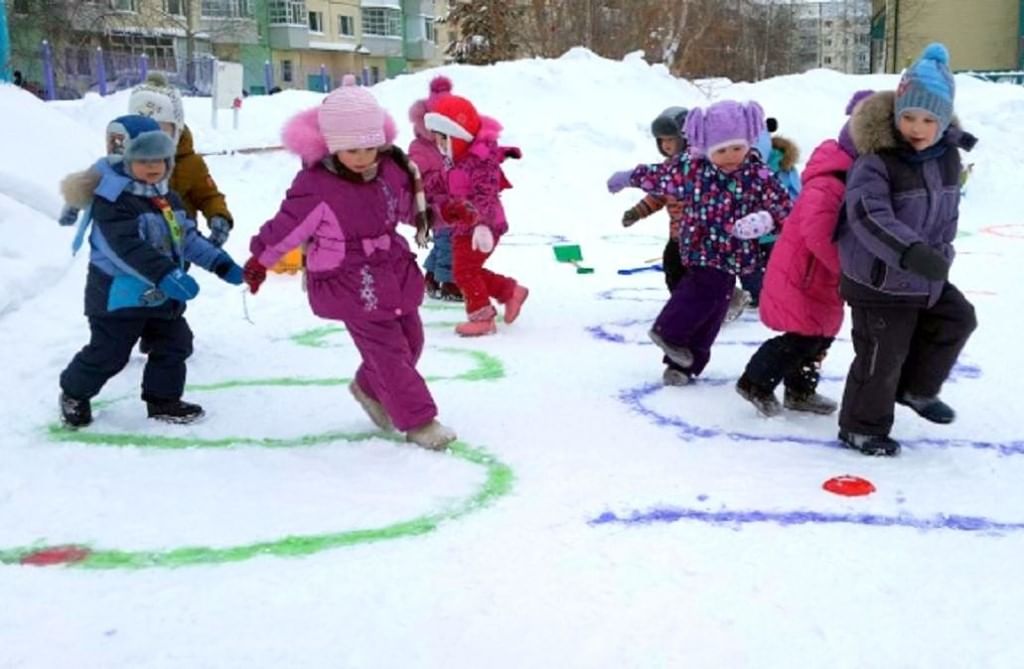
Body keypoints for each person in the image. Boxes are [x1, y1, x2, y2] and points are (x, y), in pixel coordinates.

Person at [242, 76, 456, 451]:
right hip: (349, 279)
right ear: (332, 146)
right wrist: (262, 259)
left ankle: (369, 387)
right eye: (352, 150)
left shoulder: (390, 170)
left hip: (392, 267)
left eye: (370, 147)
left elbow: (409, 208)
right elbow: (287, 227)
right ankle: (419, 421)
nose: (362, 157)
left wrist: (441, 213)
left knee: (411, 341)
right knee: (389, 352)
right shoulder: (316, 184)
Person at [835, 44, 978, 456]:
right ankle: (860, 427)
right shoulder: (877, 161)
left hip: (924, 275)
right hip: (878, 278)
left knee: (957, 319)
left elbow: (946, 212)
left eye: (929, 119)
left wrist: (939, 256)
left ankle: (917, 389)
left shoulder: (948, 157)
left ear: (944, 119)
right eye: (909, 116)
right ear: (897, 114)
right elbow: (868, 215)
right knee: (882, 353)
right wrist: (910, 250)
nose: (917, 127)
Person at [58, 115, 244, 428]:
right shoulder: (113, 200)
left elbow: (185, 236)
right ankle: (74, 392)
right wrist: (167, 276)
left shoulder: (165, 197)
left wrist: (220, 263)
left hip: (160, 297)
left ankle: (163, 400)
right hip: (118, 297)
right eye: (143, 159)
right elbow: (126, 250)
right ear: (124, 158)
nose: (153, 166)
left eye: (159, 158)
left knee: (175, 344)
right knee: (110, 353)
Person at [607, 100, 792, 383]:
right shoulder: (694, 168)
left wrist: (765, 221)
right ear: (707, 147)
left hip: (736, 252)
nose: (730, 156)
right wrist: (628, 177)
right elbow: (660, 176)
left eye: (737, 148)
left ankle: (684, 365)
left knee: (717, 307)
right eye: (721, 150)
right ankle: (669, 332)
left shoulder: (757, 174)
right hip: (700, 245)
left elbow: (784, 207)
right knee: (708, 285)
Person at [736, 90, 874, 417]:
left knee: (821, 335)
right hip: (805, 273)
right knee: (801, 336)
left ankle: (800, 391)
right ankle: (754, 382)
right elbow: (817, 232)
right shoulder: (829, 181)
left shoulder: (852, 176)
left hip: (822, 275)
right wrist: (846, 268)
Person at [424, 90, 529, 336]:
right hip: (465, 224)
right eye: (437, 138)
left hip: (484, 226)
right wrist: (421, 186)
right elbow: (443, 181)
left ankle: (482, 317)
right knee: (465, 271)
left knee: (463, 271)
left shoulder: (480, 163)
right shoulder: (456, 162)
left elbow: (485, 195)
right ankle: (510, 291)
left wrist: (481, 225)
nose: (439, 144)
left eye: (443, 138)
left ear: (459, 137)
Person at [408, 75, 462, 302]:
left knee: (445, 242)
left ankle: (430, 276)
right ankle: (449, 282)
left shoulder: (452, 145)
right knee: (449, 242)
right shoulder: (420, 148)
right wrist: (441, 179)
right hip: (437, 205)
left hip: (455, 203)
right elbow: (416, 176)